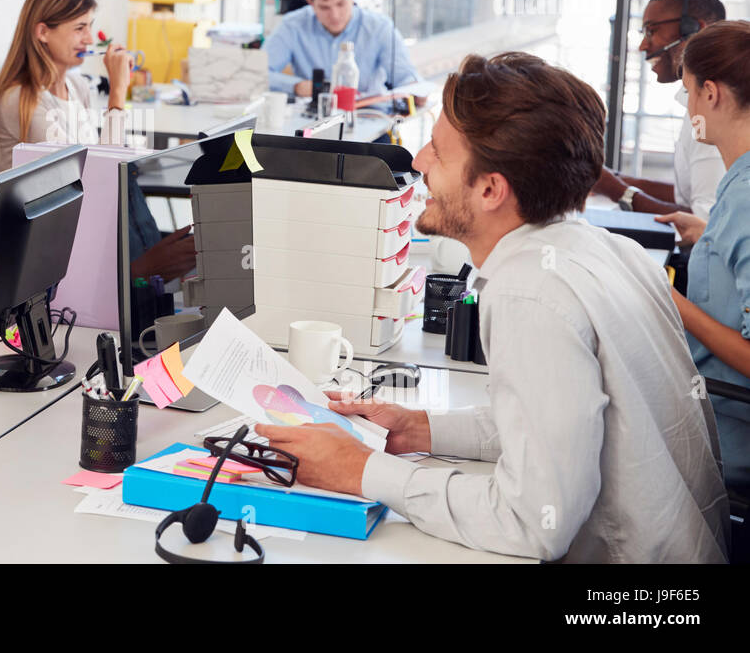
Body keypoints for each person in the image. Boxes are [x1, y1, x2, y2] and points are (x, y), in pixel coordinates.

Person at [256, 52, 727, 562]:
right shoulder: (608, 248)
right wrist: (417, 428)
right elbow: (551, 427)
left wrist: (361, 471)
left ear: (490, 189)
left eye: (437, 152)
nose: (418, 163)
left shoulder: (531, 295)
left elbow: (532, 523)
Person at [662, 21, 750, 494]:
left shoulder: (744, 198)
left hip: (731, 429)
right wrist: (709, 237)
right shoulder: (738, 186)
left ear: (711, 93)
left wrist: (674, 304)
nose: (689, 107)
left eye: (688, 92)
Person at [593, 0, 726, 218]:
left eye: (651, 31)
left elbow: (703, 222)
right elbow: (688, 195)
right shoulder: (696, 99)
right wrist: (614, 179)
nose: (644, 46)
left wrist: (617, 190)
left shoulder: (716, 110)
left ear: (695, 29)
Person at [0, 0, 132, 175]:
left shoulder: (78, 87)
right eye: (80, 28)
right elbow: (98, 177)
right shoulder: (21, 100)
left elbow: (101, 166)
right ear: (43, 32)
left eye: (90, 26)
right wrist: (117, 93)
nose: (89, 39)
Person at [264, 0, 419, 99]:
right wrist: (296, 86)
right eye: (324, 7)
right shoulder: (293, 25)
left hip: (368, 118)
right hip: (312, 120)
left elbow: (405, 77)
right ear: (311, 3)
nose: (335, 15)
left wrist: (417, 92)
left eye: (340, 4)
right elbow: (258, 74)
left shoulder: (380, 28)